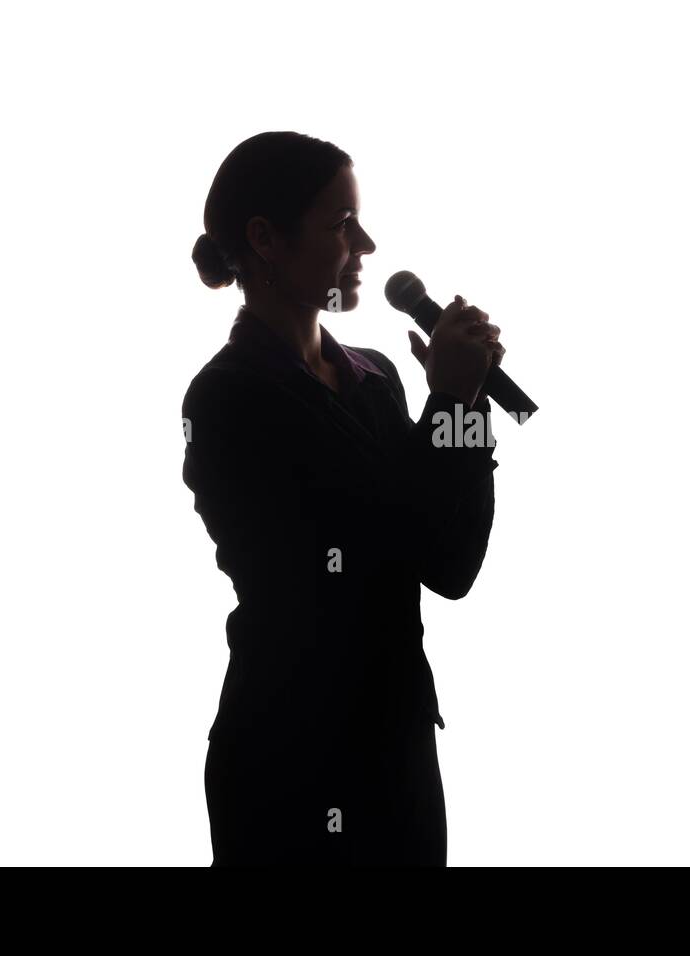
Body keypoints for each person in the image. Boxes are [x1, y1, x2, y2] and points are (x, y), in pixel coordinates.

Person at [183, 131, 504, 865]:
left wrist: (465, 407)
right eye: (340, 225)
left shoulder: (378, 378)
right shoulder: (229, 397)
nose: (365, 244)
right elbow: (366, 545)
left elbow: (448, 562)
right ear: (265, 239)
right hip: (289, 754)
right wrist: (449, 397)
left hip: (397, 749)